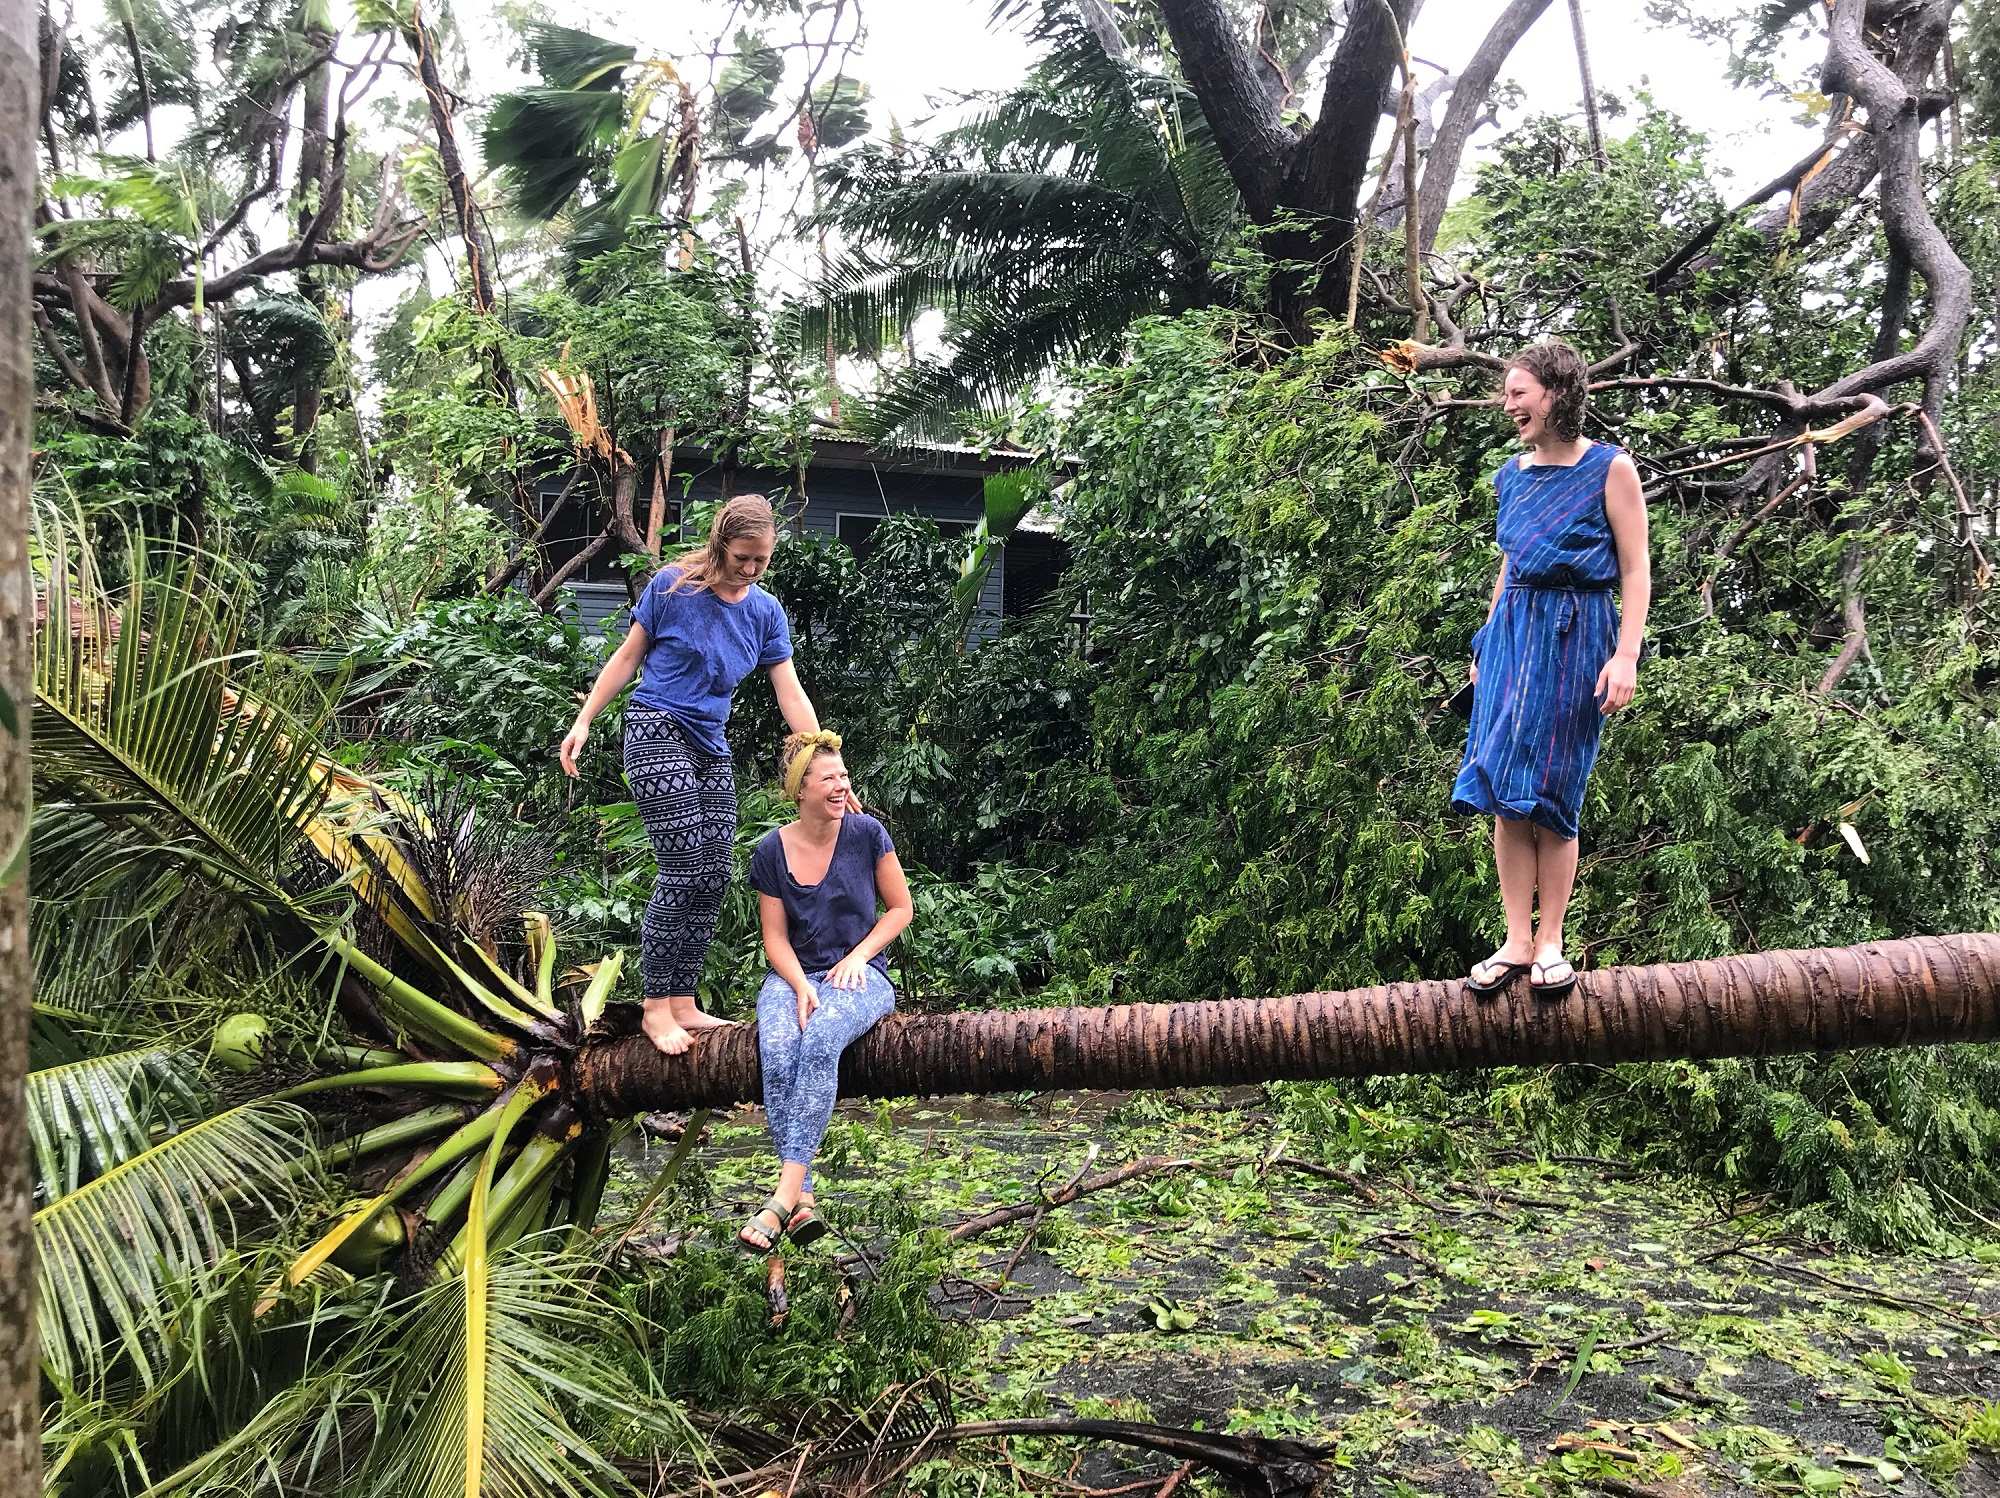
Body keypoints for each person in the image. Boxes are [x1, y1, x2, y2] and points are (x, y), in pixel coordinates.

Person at [558, 494, 819, 1056]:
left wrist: (821, 752)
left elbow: (787, 688)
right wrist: (584, 720)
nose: (750, 569)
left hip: (710, 742)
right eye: (742, 557)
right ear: (722, 544)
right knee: (682, 866)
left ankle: (683, 1000)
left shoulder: (765, 612)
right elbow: (628, 657)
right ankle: (655, 1007)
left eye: (762, 560)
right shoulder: (674, 587)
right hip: (656, 728)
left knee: (715, 872)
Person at [1453, 340, 1651, 999]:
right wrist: (1486, 642)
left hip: (1578, 634)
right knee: (1505, 790)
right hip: (1513, 634)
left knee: (1555, 792)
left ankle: (1551, 943)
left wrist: (1625, 654)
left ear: (1558, 394)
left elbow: (1635, 569)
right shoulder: (1512, 475)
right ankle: (1515, 940)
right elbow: (1509, 565)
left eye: (1518, 393)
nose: (1506, 404)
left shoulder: (1610, 468)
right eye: (1506, 394)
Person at [737, 731, 912, 1254]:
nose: (842, 786)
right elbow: (774, 938)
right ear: (801, 789)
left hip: (862, 975)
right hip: (793, 973)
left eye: (844, 777)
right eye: (829, 778)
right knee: (777, 1048)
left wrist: (858, 956)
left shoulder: (866, 833)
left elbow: (900, 909)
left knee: (818, 1041)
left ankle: (784, 1194)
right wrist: (796, 986)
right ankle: (805, 1198)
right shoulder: (772, 849)